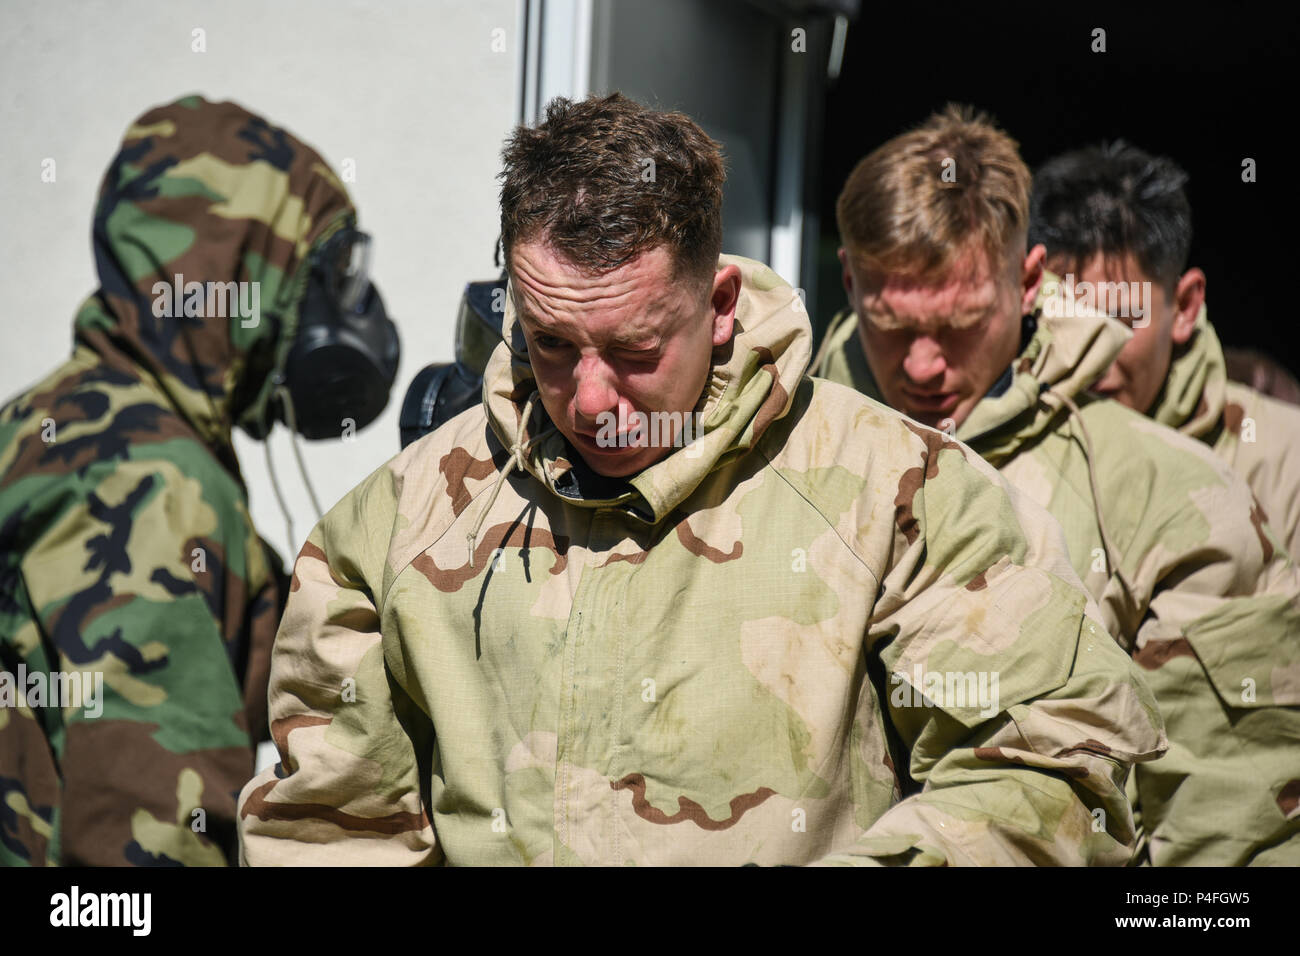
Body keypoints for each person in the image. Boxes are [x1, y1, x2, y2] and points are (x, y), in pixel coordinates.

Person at [238, 92, 1165, 867]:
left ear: (719, 307)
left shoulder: (903, 495)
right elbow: (325, 834)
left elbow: (1048, 770)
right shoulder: (394, 526)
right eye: (552, 344)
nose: (593, 400)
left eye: (638, 349)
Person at [816, 105, 1300, 866]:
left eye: (961, 323)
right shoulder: (772, 452)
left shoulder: (1167, 496)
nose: (921, 366)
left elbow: (1228, 834)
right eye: (892, 325)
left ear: (1031, 280)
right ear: (849, 280)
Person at [0, 94, 398, 866]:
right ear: (244, 270)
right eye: (319, 272)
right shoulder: (156, 483)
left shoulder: (48, 424)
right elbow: (148, 829)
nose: (334, 310)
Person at [1029, 141, 1300, 561]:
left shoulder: (1285, 462)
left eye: (1120, 320)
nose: (1091, 351)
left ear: (1186, 307)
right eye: (1065, 317)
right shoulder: (1001, 444)